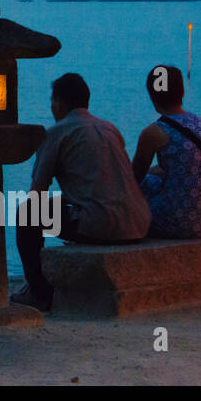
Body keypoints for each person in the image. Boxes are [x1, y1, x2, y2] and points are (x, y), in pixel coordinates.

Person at [11, 73, 152, 312]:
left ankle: (39, 291)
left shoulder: (55, 133)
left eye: (52, 101)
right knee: (57, 207)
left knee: (26, 214)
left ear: (59, 103)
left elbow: (37, 193)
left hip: (102, 225)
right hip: (139, 222)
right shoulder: (109, 129)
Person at [132, 64, 201, 239]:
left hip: (181, 223)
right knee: (151, 179)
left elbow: (133, 178)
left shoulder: (154, 132)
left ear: (152, 96)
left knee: (141, 187)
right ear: (181, 93)